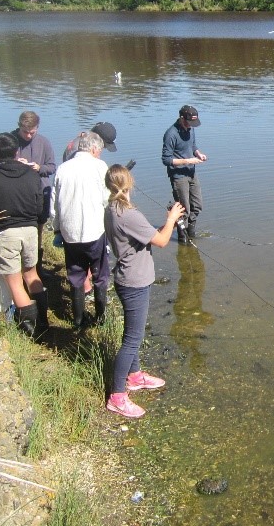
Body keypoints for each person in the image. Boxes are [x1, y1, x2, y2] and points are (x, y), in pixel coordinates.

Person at [104, 164, 185, 418]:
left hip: (129, 278)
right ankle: (117, 396)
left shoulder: (112, 208)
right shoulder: (128, 214)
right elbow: (161, 241)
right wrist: (171, 219)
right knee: (132, 339)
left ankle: (135, 376)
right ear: (129, 184)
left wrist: (164, 223)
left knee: (133, 333)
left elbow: (148, 236)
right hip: (134, 281)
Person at [0, 132, 49, 337]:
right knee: (31, 274)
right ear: (16, 151)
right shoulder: (31, 175)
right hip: (30, 231)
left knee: (15, 283)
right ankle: (44, 323)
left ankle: (32, 331)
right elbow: (39, 207)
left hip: (5, 233)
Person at [51, 131, 110, 329]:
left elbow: (55, 204)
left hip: (70, 232)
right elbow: (106, 198)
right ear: (94, 149)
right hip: (95, 232)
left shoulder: (63, 168)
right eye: (100, 151)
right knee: (100, 274)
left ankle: (78, 320)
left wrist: (57, 230)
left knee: (76, 274)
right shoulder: (100, 166)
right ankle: (101, 317)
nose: (100, 154)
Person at [12, 111, 56, 256]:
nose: (29, 136)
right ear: (19, 126)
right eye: (25, 132)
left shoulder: (44, 142)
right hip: (17, 191)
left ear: (37, 127)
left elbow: (52, 167)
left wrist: (39, 168)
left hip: (39, 190)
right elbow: (0, 162)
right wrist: (15, 164)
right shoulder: (10, 139)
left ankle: (37, 261)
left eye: (32, 132)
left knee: (38, 226)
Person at [161, 104, 207, 242]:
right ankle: (183, 239)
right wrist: (187, 160)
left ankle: (191, 232)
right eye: (189, 122)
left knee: (197, 205)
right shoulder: (171, 134)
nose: (190, 126)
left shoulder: (190, 129)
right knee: (184, 209)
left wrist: (198, 154)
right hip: (178, 176)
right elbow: (166, 159)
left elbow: (192, 145)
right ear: (182, 118)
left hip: (191, 172)